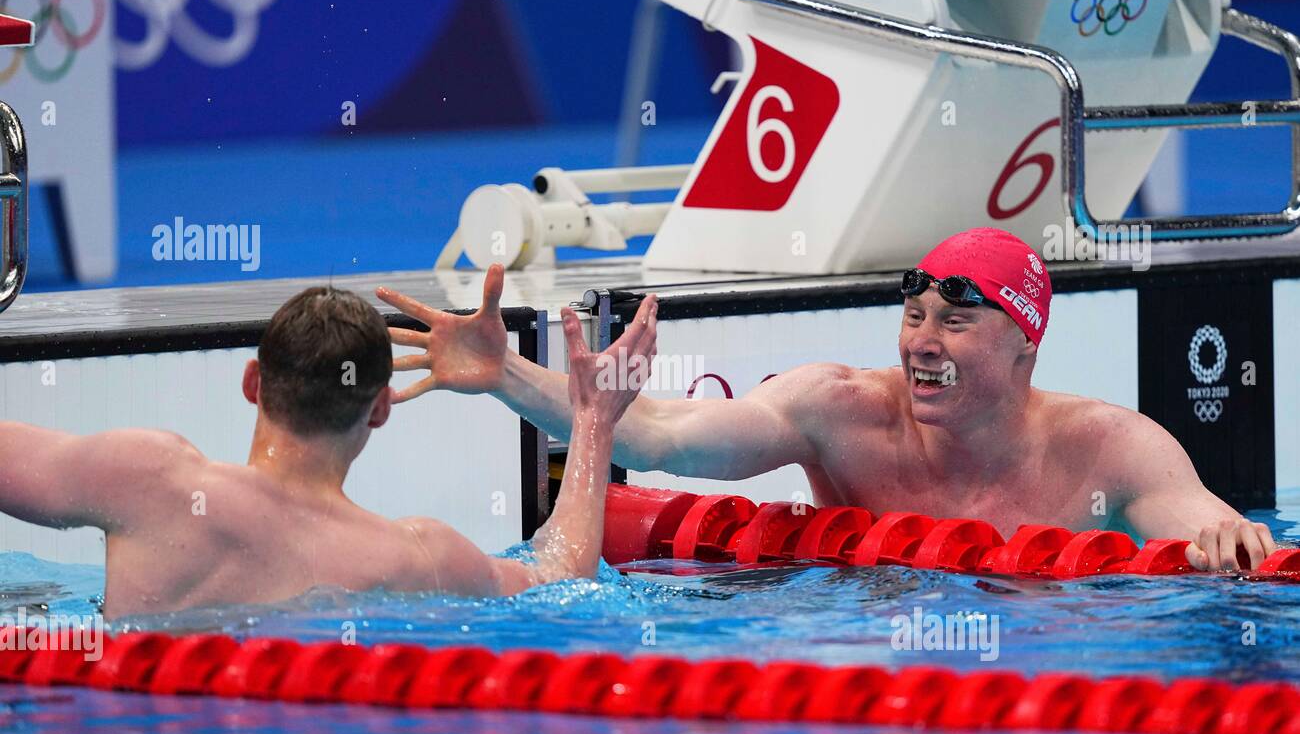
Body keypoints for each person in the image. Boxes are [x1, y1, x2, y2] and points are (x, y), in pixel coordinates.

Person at [377, 227, 1277, 572]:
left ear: (1023, 345)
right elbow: (652, 435)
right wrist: (504, 376)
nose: (921, 341)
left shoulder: (1110, 449)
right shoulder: (838, 410)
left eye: (954, 323)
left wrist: (1231, 536)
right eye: (913, 314)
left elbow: (1211, 529)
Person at [0, 286, 658, 618]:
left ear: (253, 382)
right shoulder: (416, 557)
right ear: (379, 408)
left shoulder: (148, 479)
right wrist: (595, 418)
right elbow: (564, 575)